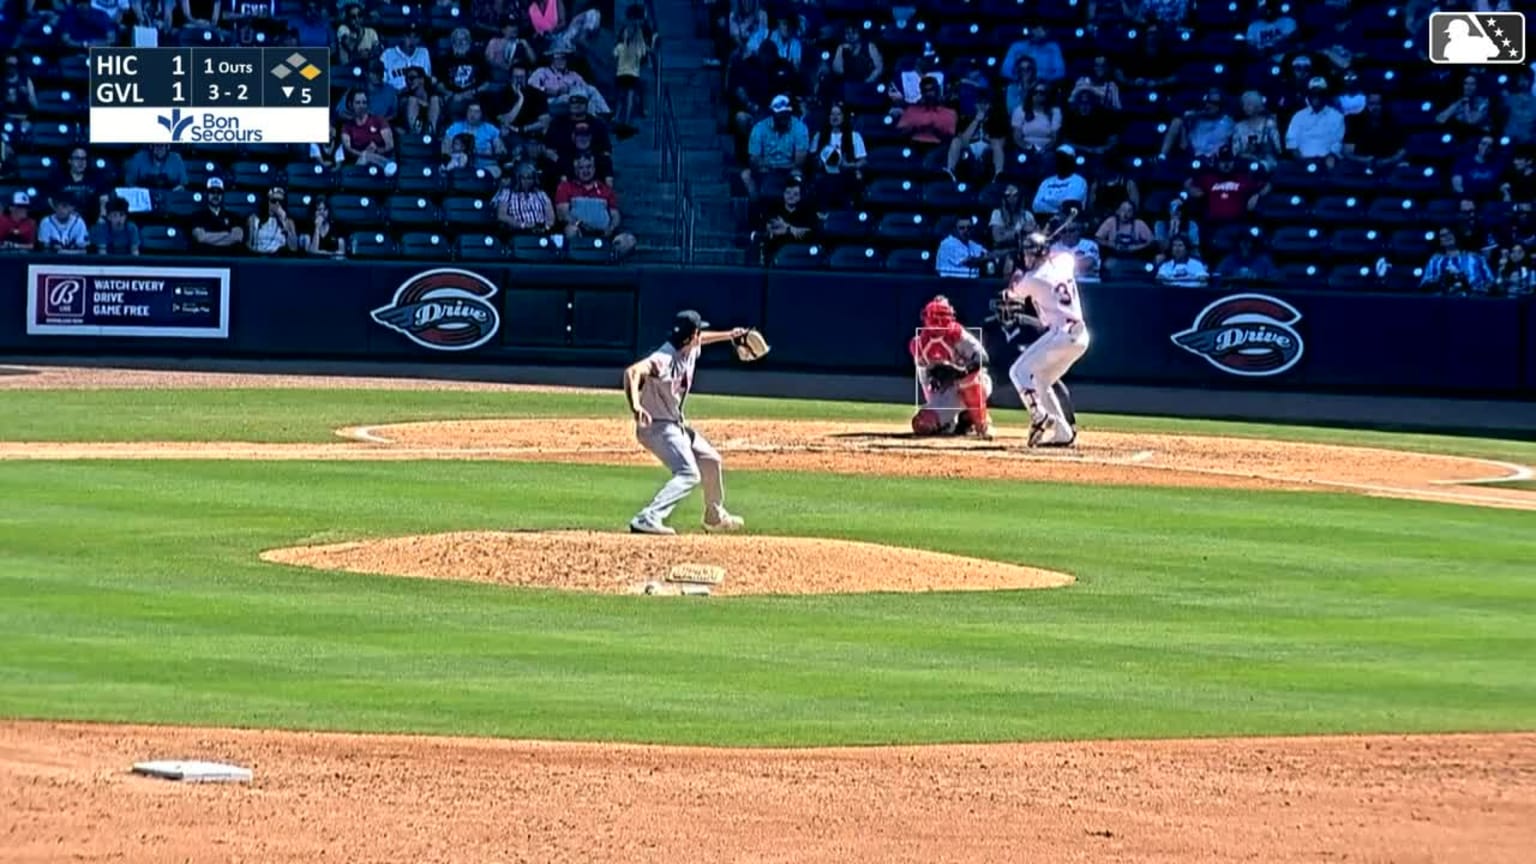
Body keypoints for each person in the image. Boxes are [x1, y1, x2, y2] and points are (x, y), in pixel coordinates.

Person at [622, 310, 750, 535]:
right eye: (699, 332)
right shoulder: (663, 359)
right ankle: (648, 517)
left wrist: (730, 335)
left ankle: (714, 516)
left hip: (675, 425)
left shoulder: (690, 346)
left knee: (711, 460)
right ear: (692, 336)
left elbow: (704, 338)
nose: (701, 336)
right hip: (656, 427)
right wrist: (636, 406)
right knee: (688, 472)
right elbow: (632, 372)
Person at [1001, 231, 1088, 447]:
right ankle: (1063, 432)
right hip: (1080, 336)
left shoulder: (1033, 279)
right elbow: (1063, 256)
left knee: (1018, 371)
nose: (1027, 258)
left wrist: (1017, 272)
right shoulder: (1064, 262)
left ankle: (1038, 415)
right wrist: (1041, 246)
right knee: (1041, 380)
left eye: (1030, 254)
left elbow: (1011, 293)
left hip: (1062, 334)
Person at [908, 295, 993, 439]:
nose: (938, 322)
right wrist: (937, 405)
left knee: (967, 382)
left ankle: (981, 424)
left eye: (942, 316)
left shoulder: (957, 334)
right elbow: (925, 382)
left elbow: (982, 359)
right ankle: (954, 423)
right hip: (947, 391)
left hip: (975, 384)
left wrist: (957, 371)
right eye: (935, 317)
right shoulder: (919, 344)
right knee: (923, 424)